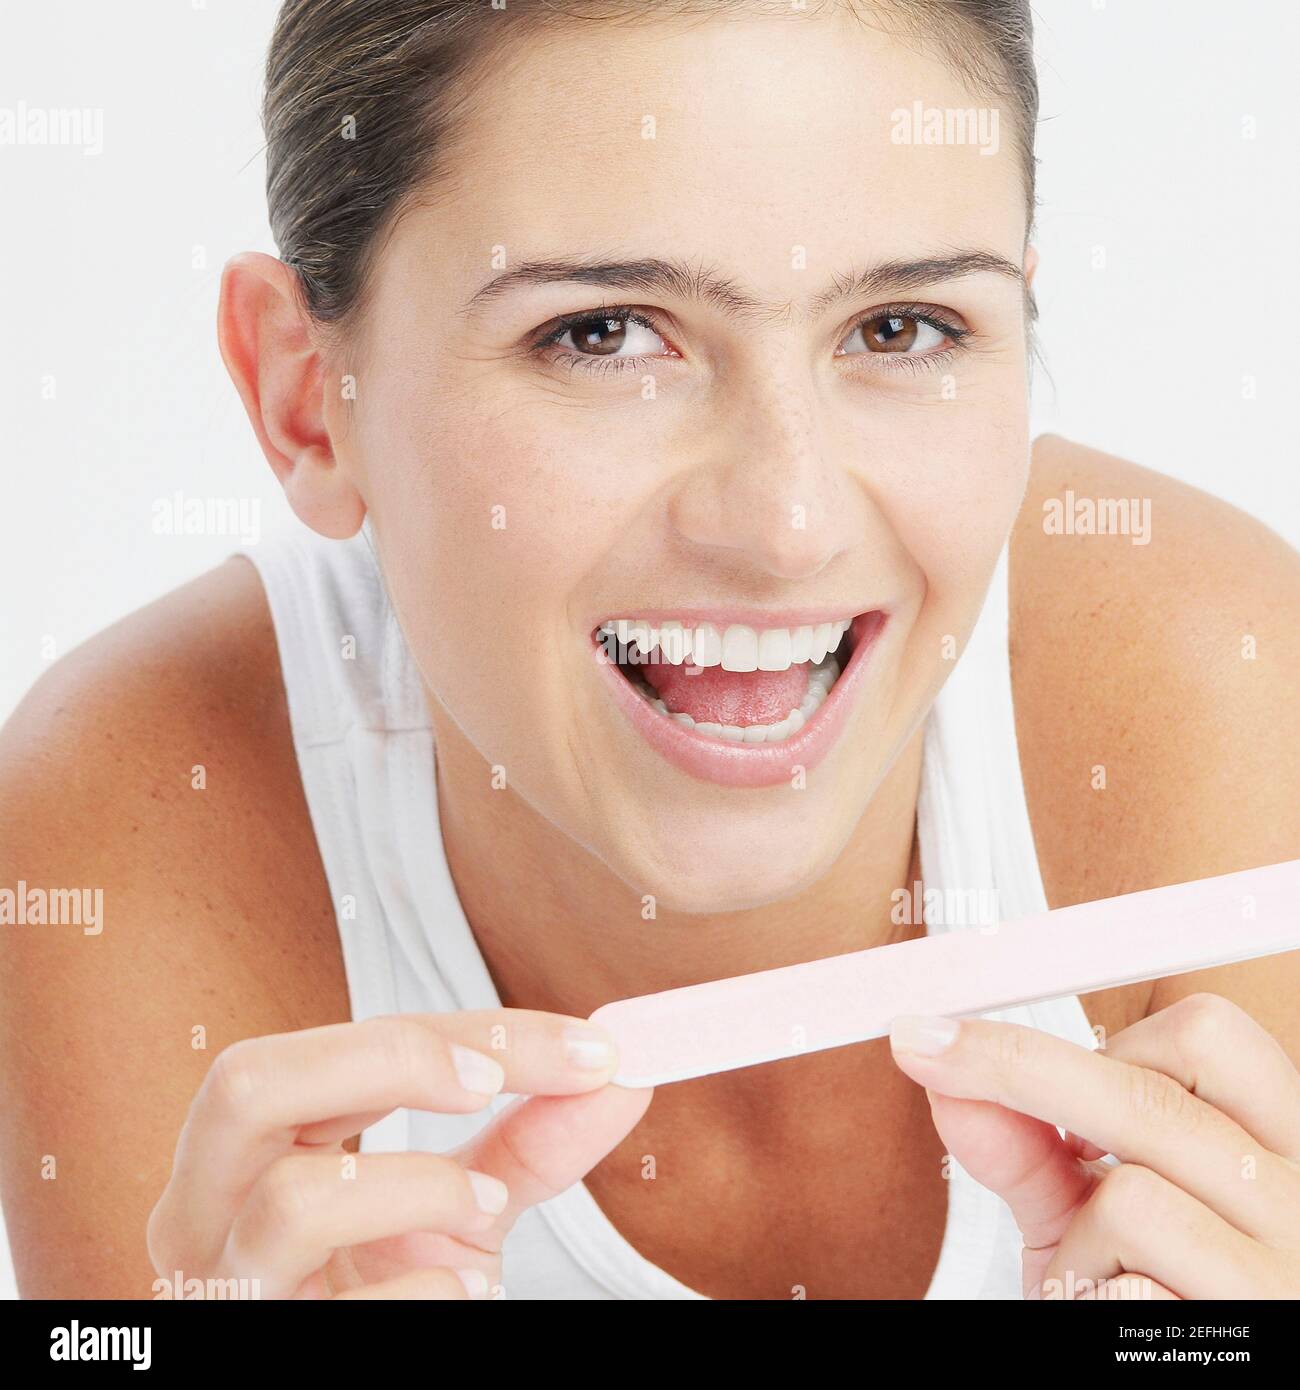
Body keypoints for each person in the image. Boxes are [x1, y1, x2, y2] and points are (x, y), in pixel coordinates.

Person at [1, 0, 1296, 1301]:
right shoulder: (127, 823)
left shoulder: (1223, 696)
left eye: (902, 327)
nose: (789, 525)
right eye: (604, 332)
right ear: (304, 398)